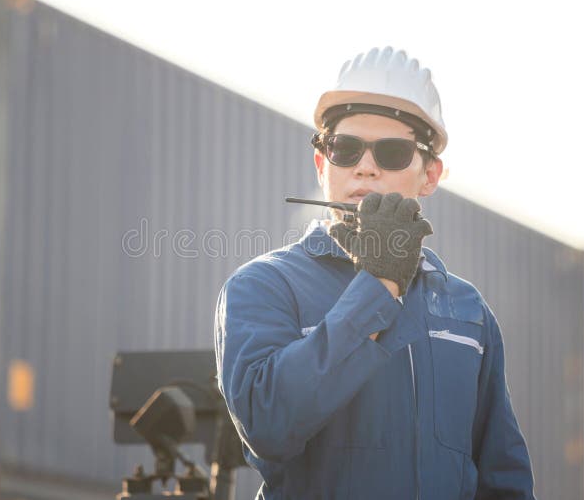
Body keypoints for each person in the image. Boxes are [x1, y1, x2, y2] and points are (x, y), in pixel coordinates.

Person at [214, 47, 535, 499]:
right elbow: (268, 425)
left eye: (393, 151)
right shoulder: (262, 287)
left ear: (430, 175)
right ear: (322, 163)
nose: (365, 166)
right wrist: (380, 284)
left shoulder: (466, 312)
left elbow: (505, 481)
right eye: (345, 149)